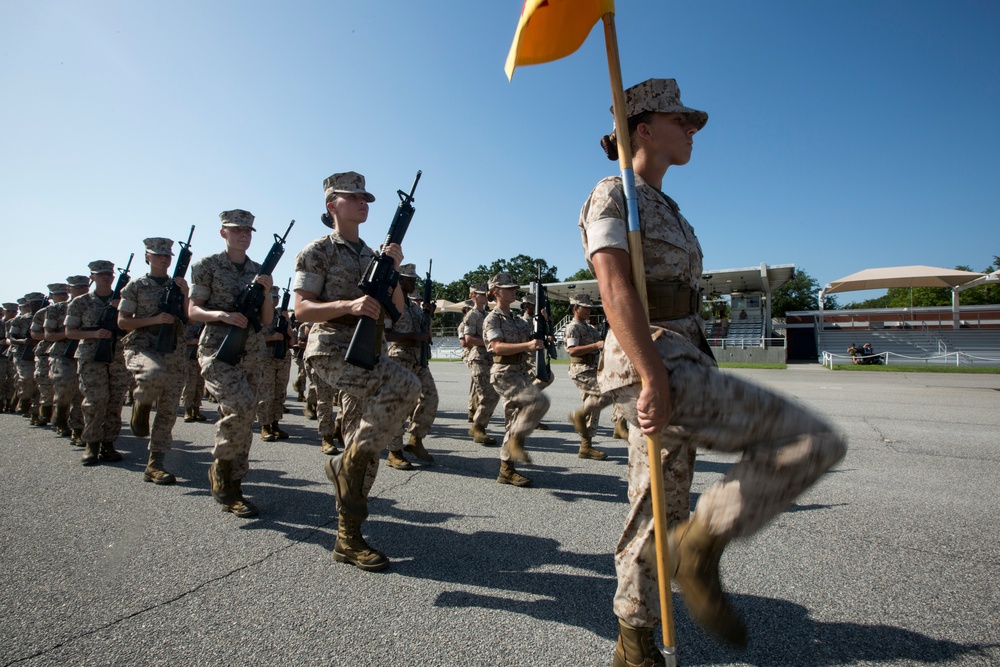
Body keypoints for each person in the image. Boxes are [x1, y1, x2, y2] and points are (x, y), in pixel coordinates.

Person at [580, 78, 846, 660]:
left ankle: (635, 640)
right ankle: (698, 549)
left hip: (681, 355)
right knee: (811, 438)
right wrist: (652, 377)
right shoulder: (610, 193)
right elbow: (614, 288)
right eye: (682, 120)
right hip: (654, 361)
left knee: (657, 509)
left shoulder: (667, 206)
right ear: (643, 128)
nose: (692, 129)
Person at [293, 170, 420, 572]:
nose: (363, 202)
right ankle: (345, 463)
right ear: (332, 206)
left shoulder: (372, 254)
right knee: (404, 383)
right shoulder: (317, 251)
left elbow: (397, 312)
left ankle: (348, 535)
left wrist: (393, 270)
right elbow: (301, 309)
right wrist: (348, 306)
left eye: (366, 197)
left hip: (366, 351)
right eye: (353, 197)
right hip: (330, 348)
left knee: (368, 437)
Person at [188, 210, 273, 517]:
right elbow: (193, 310)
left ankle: (235, 485)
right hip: (217, 348)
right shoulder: (207, 266)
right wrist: (221, 315)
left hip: (250, 350)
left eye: (248, 230)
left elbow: (265, 320)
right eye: (237, 230)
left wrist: (266, 292)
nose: (244, 235)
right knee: (240, 406)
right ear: (223, 232)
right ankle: (222, 474)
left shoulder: (259, 270)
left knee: (246, 413)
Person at [118, 237, 190, 485]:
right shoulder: (135, 286)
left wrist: (186, 294)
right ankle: (141, 404)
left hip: (173, 349)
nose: (163, 259)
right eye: (158, 255)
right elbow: (123, 322)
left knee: (169, 409)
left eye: (167, 255)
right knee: (152, 373)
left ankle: (155, 464)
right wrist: (154, 320)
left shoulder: (178, 285)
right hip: (143, 345)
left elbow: (189, 318)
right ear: (147, 257)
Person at [483, 272, 550, 487]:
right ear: (496, 293)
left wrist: (543, 325)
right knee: (539, 401)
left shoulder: (517, 320)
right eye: (509, 288)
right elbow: (497, 347)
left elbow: (533, 340)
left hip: (521, 370)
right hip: (504, 372)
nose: (514, 291)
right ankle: (514, 446)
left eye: (514, 288)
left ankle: (507, 469)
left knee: (514, 419)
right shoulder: (492, 318)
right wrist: (529, 346)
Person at [65, 262, 129, 466]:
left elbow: (130, 325)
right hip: (91, 356)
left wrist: (122, 311)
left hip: (117, 355)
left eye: (109, 274)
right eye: (101, 274)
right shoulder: (81, 302)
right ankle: (91, 444)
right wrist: (94, 333)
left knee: (115, 400)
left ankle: (109, 443)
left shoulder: (123, 299)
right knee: (95, 399)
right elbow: (70, 332)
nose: (106, 277)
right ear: (92, 277)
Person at [382, 262, 438, 470]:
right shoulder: (390, 304)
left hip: (418, 360)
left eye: (415, 279)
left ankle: (415, 439)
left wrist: (428, 315)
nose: (414, 282)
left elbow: (424, 332)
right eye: (409, 278)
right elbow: (385, 334)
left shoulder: (415, 307)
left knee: (430, 398)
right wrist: (412, 336)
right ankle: (394, 452)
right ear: (399, 280)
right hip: (398, 359)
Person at [563, 293, 612, 460]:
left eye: (590, 307)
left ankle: (586, 447)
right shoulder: (573, 327)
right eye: (586, 307)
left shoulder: (589, 328)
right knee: (605, 392)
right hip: (581, 369)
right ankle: (580, 415)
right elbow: (572, 350)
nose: (589, 310)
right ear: (576, 308)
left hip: (593, 367)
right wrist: (595, 345)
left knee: (593, 407)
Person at [460, 283, 500, 445]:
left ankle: (479, 426)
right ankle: (478, 428)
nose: (484, 296)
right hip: (478, 359)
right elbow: (468, 340)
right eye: (480, 294)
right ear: (473, 296)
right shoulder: (472, 316)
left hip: (489, 359)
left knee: (492, 394)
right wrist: (490, 342)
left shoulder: (487, 314)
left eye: (485, 293)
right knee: (487, 394)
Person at [258, 286, 291, 442]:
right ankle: (265, 426)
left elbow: (292, 339)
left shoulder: (281, 314)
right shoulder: (260, 314)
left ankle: (275, 424)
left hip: (283, 356)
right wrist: (272, 338)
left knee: (280, 392)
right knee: (266, 392)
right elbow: (255, 337)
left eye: (277, 297)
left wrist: (287, 322)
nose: (276, 300)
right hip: (266, 356)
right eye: (273, 297)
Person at [31, 286, 62, 428]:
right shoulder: (43, 313)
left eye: (63, 294)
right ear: (51, 296)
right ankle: (42, 412)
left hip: (66, 352)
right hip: (45, 351)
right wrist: (55, 336)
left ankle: (61, 419)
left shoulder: (75, 307)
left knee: (62, 387)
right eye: (58, 294)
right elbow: (34, 334)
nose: (61, 297)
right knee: (44, 385)